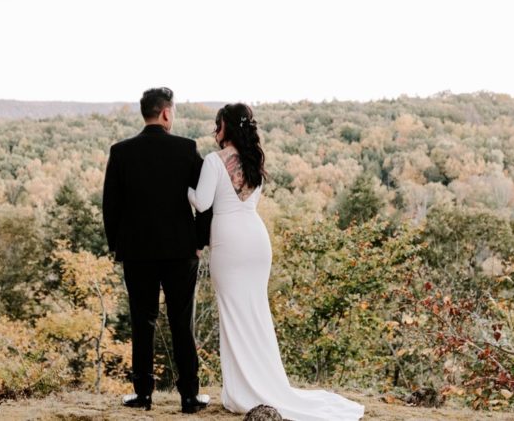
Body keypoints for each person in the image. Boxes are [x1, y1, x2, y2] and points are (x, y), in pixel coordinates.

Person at [188, 103, 365, 421]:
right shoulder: (255, 160)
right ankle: (252, 386)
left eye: (218, 124)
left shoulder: (215, 161)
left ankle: (241, 390)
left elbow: (202, 202)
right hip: (256, 240)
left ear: (226, 126)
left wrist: (181, 188)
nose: (215, 129)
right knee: (255, 312)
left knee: (233, 314)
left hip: (229, 242)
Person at [102, 87, 212, 414]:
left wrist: (116, 247)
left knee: (142, 322)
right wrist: (199, 240)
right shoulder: (186, 149)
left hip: (137, 253)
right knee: (182, 323)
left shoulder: (121, 152)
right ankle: (190, 397)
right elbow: (206, 201)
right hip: (180, 252)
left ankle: (143, 395)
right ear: (166, 113)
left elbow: (111, 206)